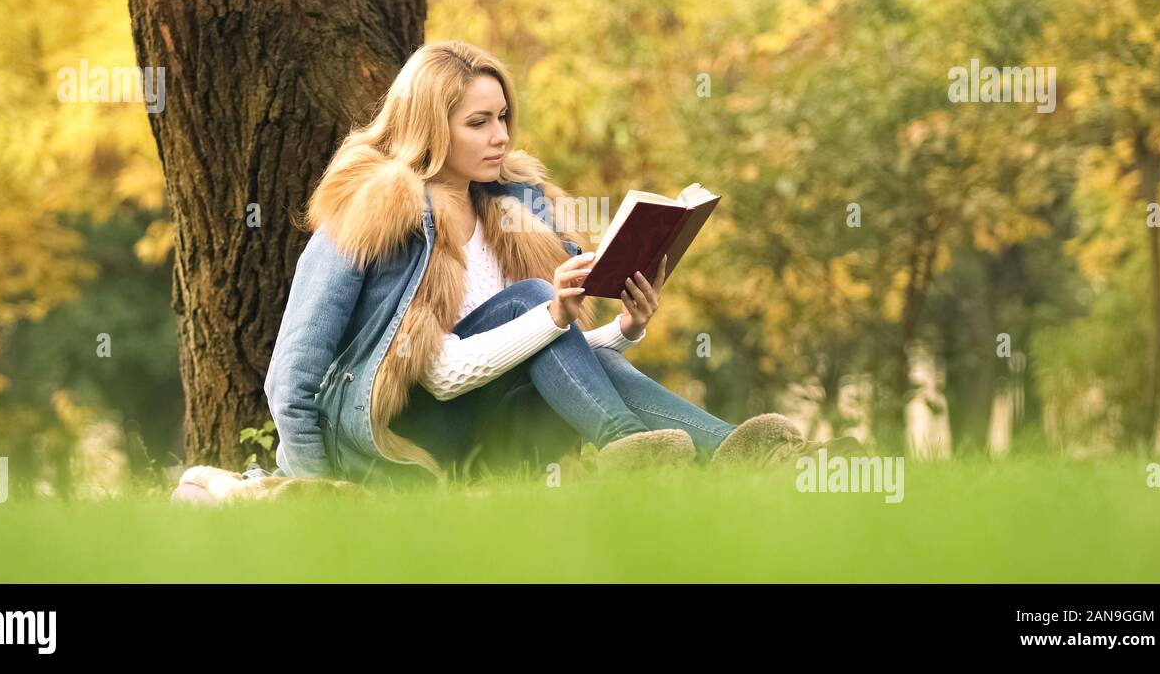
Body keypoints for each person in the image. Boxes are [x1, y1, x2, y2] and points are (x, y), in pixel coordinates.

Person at [257, 40, 846, 491]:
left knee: (543, 313)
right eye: (479, 122)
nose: (501, 138)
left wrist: (626, 328)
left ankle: (746, 462)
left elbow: (555, 358)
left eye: (504, 118)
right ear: (433, 127)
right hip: (397, 446)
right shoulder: (368, 213)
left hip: (489, 425)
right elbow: (300, 377)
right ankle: (653, 452)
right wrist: (320, 490)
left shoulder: (512, 207)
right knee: (529, 301)